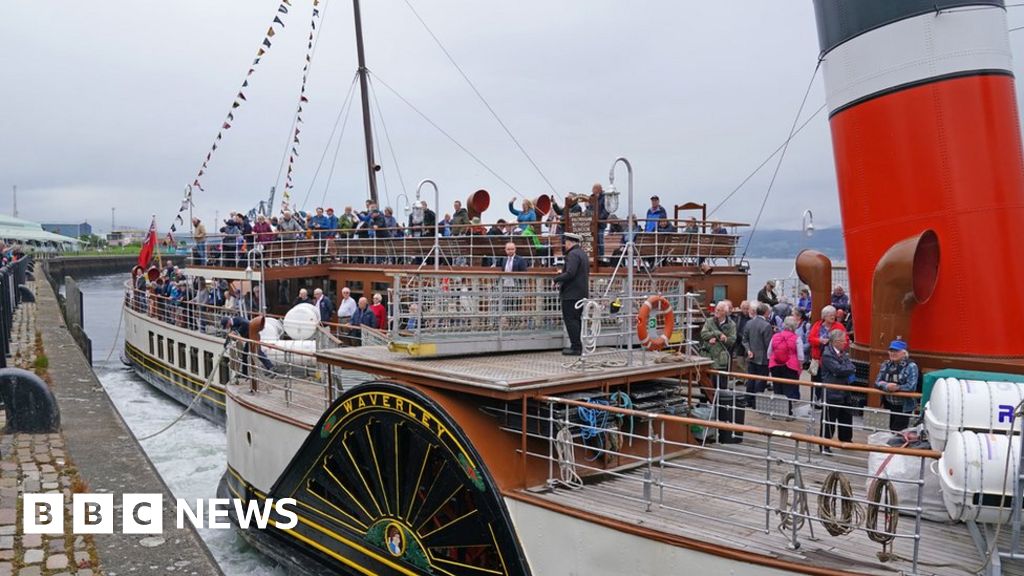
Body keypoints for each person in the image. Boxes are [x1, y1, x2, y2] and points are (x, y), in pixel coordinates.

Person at [552, 232, 589, 356]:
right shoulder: (582, 254)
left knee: (571, 320)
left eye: (566, 242)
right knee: (577, 320)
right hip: (581, 293)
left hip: (571, 293)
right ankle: (578, 345)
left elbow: (570, 273)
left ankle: (576, 347)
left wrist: (556, 279)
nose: (565, 245)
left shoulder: (572, 255)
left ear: (569, 243)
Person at [820, 329, 856, 449]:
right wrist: (845, 369)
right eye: (843, 340)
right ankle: (825, 444)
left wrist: (845, 368)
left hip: (845, 391)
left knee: (845, 416)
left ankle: (846, 440)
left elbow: (851, 366)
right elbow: (838, 370)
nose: (845, 342)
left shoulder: (843, 353)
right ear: (835, 341)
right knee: (829, 419)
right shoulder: (827, 354)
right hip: (832, 392)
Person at [875, 339, 920, 431]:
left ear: (904, 353)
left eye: (896, 351)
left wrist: (896, 388)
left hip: (904, 405)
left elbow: (911, 386)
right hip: (889, 403)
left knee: (898, 430)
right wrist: (887, 386)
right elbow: (877, 382)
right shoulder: (886, 364)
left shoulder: (911, 366)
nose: (893, 353)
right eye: (891, 351)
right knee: (892, 428)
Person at [808, 305, 848, 400]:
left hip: (832, 360)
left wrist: (834, 344)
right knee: (816, 381)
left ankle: (827, 400)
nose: (833, 317)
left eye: (834, 315)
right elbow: (810, 339)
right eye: (830, 315)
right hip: (818, 359)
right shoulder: (817, 325)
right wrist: (820, 341)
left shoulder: (839, 326)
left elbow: (845, 341)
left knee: (829, 381)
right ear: (824, 316)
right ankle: (816, 401)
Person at [768, 316, 804, 417]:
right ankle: (788, 413)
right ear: (794, 326)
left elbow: (769, 352)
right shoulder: (797, 338)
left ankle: (777, 412)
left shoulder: (775, 336)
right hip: (790, 366)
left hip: (775, 364)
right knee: (788, 389)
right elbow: (801, 356)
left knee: (777, 388)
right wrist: (800, 365)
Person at [701, 301, 736, 389]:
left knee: (721, 383)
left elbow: (732, 340)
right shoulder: (709, 321)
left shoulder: (731, 325)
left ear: (725, 312)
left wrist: (723, 339)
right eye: (716, 309)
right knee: (706, 382)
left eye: (719, 310)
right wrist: (717, 334)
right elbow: (703, 334)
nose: (716, 311)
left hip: (722, 358)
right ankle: (704, 401)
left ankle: (721, 401)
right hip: (708, 356)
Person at [743, 303, 774, 394]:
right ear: (766, 312)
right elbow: (768, 344)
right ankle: (756, 402)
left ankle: (748, 400)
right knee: (760, 381)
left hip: (751, 356)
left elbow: (744, 340)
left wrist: (748, 350)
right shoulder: (766, 325)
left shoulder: (749, 323)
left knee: (751, 379)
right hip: (763, 358)